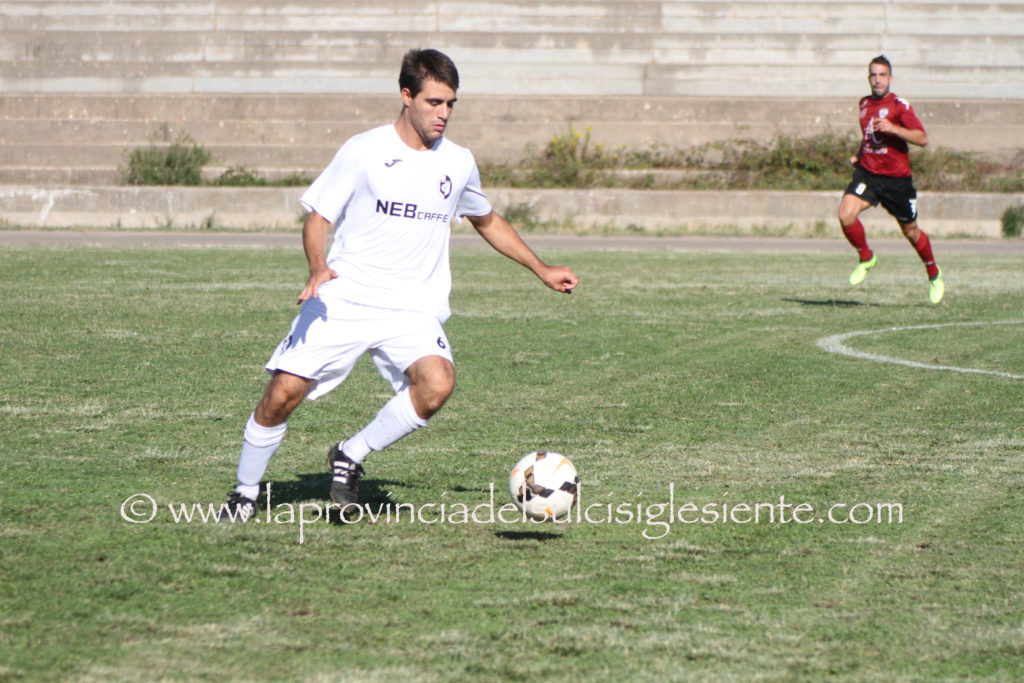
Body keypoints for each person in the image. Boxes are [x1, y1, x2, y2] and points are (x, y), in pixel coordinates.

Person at [217, 48, 579, 521]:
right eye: (434, 102)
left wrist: (542, 268)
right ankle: (245, 492)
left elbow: (487, 220)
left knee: (436, 385)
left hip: (410, 307)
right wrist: (317, 267)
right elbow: (317, 217)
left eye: (451, 103)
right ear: (406, 96)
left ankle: (350, 453)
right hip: (345, 296)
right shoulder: (364, 150)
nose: (444, 113)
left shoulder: (458, 162)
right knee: (283, 393)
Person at [838, 54, 944, 304]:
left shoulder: (899, 106)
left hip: (897, 181)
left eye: (882, 75)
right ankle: (866, 257)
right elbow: (868, 136)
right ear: (869, 78)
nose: (877, 80)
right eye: (873, 75)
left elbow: (922, 138)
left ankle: (933, 272)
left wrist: (893, 128)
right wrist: (858, 154)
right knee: (845, 214)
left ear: (890, 78)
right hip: (869, 174)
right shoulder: (864, 104)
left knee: (911, 232)